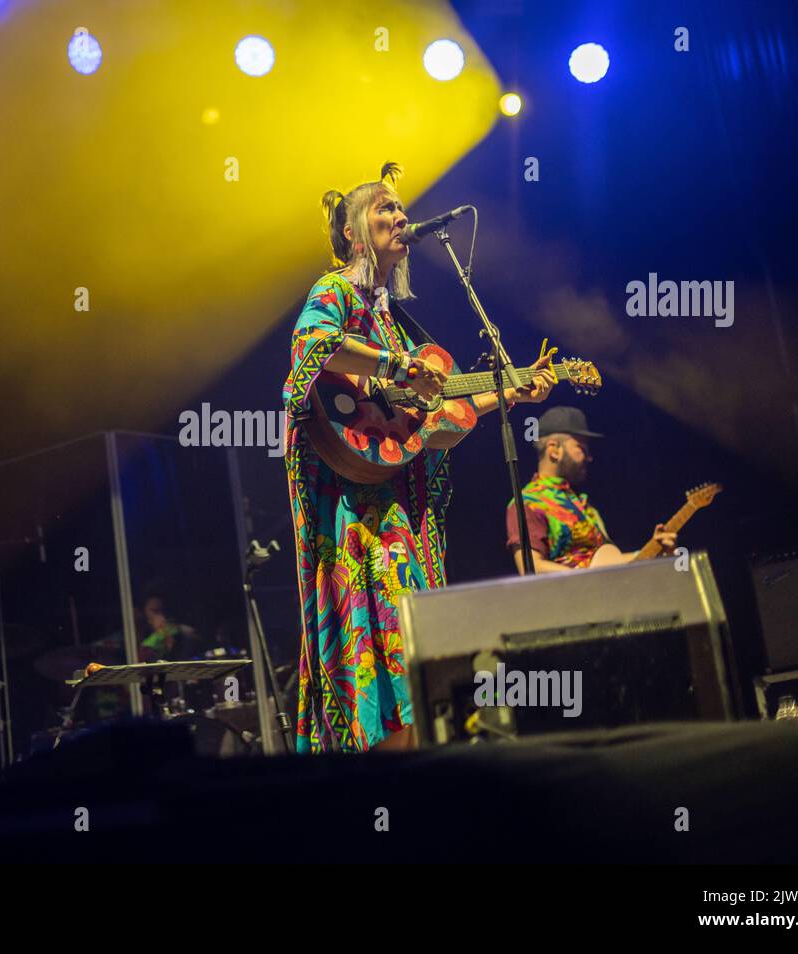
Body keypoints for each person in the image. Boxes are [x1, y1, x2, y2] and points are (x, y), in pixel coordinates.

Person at [283, 163, 556, 753]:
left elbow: (438, 420)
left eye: (401, 206)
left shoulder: (398, 326)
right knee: (373, 618)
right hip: (352, 507)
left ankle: (414, 756)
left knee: (412, 629)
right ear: (354, 232)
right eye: (384, 207)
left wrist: (511, 390)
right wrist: (392, 366)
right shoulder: (332, 292)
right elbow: (314, 350)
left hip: (397, 507)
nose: (401, 215)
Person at [505, 406, 676, 573]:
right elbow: (532, 568)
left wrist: (651, 552)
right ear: (554, 450)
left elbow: (605, 567)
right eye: (581, 448)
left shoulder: (583, 506)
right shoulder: (528, 502)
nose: (589, 457)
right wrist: (587, 579)